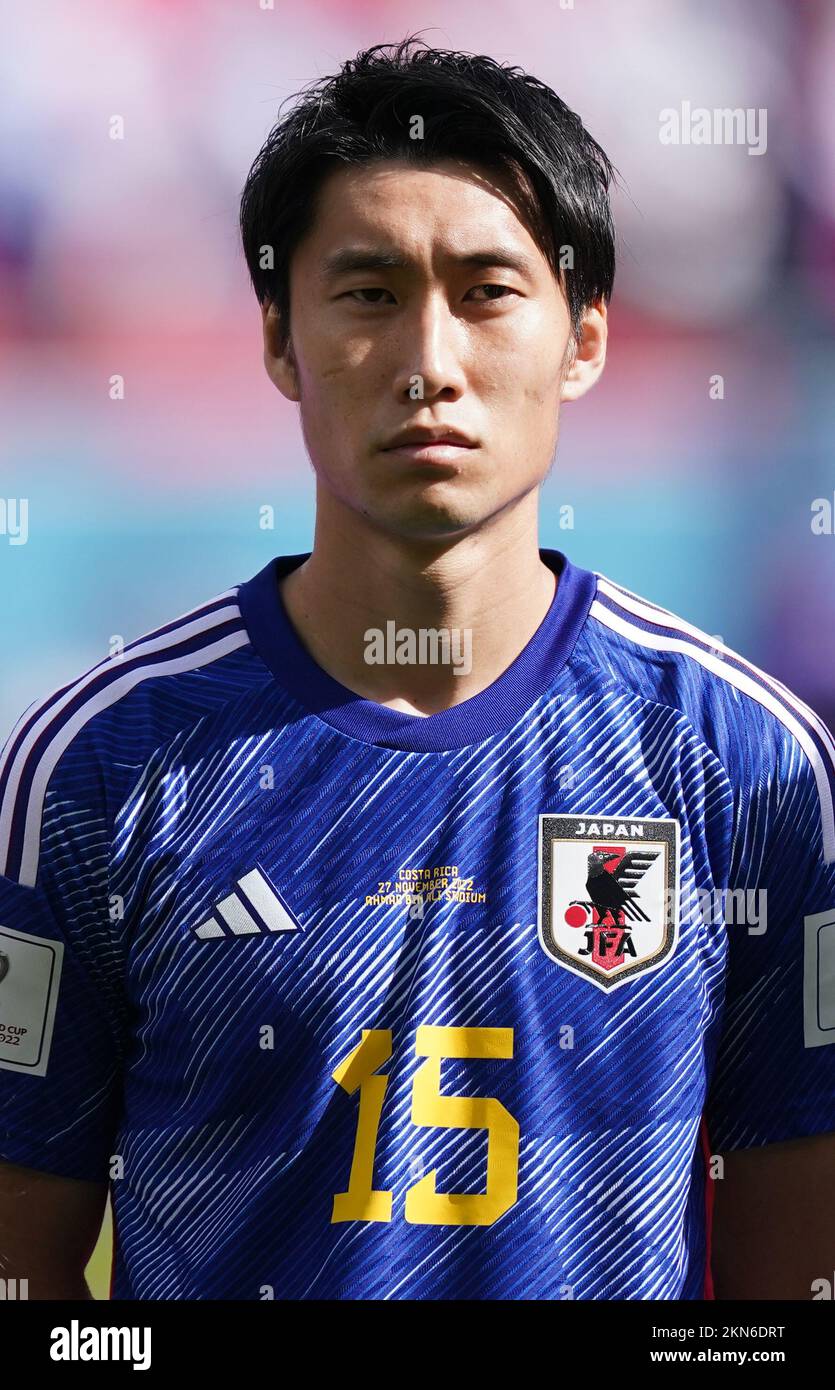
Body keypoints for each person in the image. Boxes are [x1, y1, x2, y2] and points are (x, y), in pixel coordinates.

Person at [1, 35, 833, 1301]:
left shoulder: (746, 764)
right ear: (280, 340)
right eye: (369, 293)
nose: (429, 364)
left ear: (585, 340)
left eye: (489, 289)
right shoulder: (102, 766)